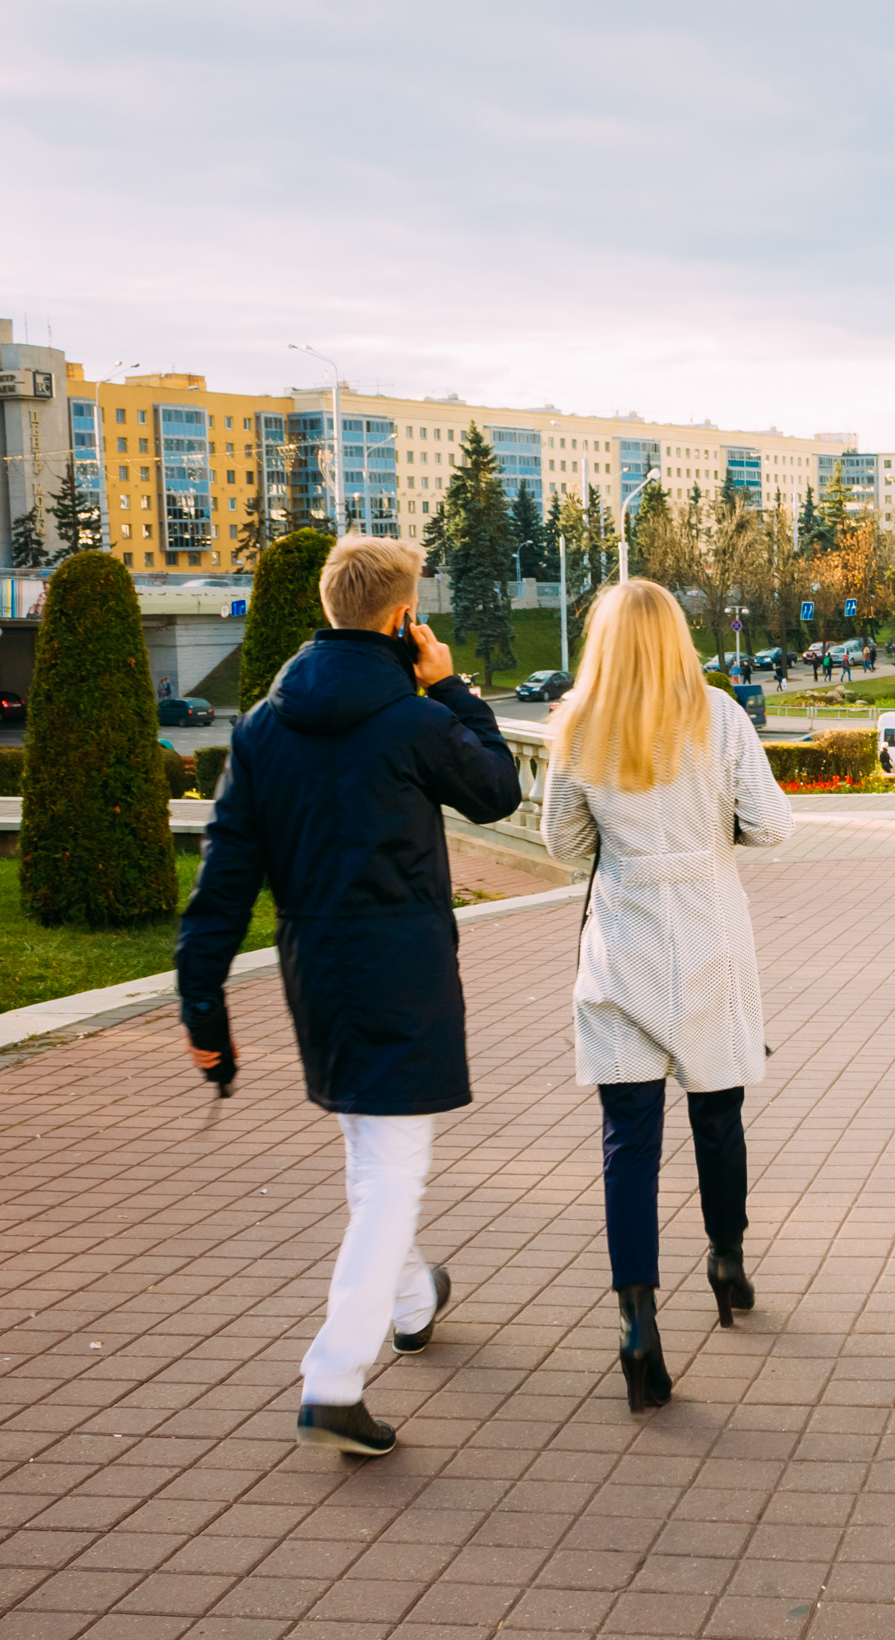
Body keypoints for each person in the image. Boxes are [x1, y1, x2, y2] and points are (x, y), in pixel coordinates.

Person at [176, 536, 524, 1457]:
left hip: (316, 977)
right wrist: (450, 687)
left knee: (372, 1163)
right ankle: (332, 1379)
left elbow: (221, 884)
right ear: (403, 618)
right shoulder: (413, 721)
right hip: (402, 974)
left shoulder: (259, 728)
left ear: (328, 609)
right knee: (389, 1176)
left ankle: (411, 1299)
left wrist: (203, 1011)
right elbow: (497, 790)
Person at [542, 580, 793, 1412]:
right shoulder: (719, 714)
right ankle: (725, 1257)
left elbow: (564, 842)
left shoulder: (578, 723)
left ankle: (638, 1318)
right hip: (709, 940)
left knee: (629, 1141)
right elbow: (772, 824)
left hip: (624, 949)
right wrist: (705, 828)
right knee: (717, 1118)